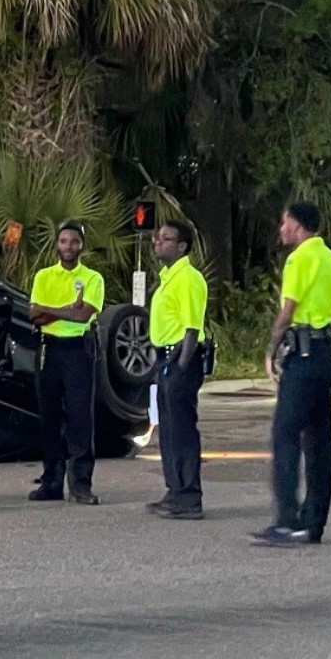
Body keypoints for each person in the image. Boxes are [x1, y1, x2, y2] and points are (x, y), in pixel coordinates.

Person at [254, 201, 331, 548]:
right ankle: (313, 524)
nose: (281, 230)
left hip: (303, 355)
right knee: (320, 442)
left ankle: (285, 521)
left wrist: (271, 351)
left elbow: (287, 311)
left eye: (284, 223)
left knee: (286, 436)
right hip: (325, 356)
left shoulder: (299, 259)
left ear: (296, 226)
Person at [27, 220, 106, 505]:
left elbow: (83, 315)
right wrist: (62, 310)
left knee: (80, 418)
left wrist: (50, 312)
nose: (68, 247)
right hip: (49, 351)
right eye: (63, 241)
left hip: (78, 352)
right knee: (49, 419)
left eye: (73, 241)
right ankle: (51, 482)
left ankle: (81, 484)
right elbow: (33, 314)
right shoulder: (44, 276)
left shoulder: (93, 278)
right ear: (57, 244)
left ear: (82, 245)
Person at [148, 220, 210, 520]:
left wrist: (179, 367)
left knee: (182, 430)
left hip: (180, 359)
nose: (158, 242)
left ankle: (188, 496)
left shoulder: (188, 278)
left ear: (182, 246)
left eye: (166, 238)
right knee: (168, 430)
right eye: (158, 237)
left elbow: (191, 328)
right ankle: (175, 490)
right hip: (165, 359)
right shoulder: (168, 278)